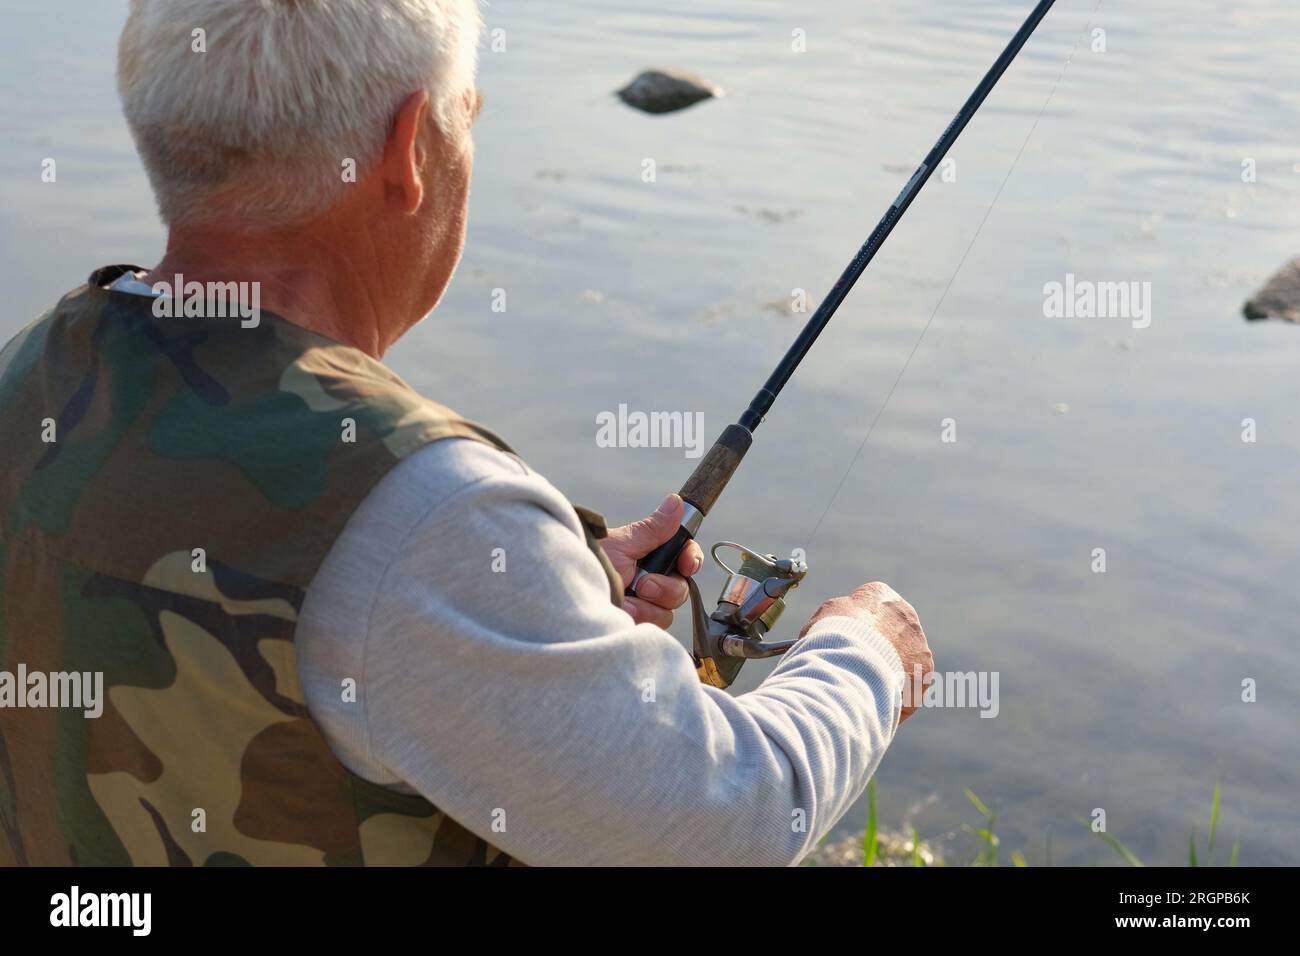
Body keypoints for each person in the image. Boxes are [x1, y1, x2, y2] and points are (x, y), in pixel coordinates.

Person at [0, 0, 933, 866]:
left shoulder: (34, 369)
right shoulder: (425, 512)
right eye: (468, 119)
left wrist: (551, 588)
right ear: (410, 147)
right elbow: (731, 821)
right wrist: (866, 655)